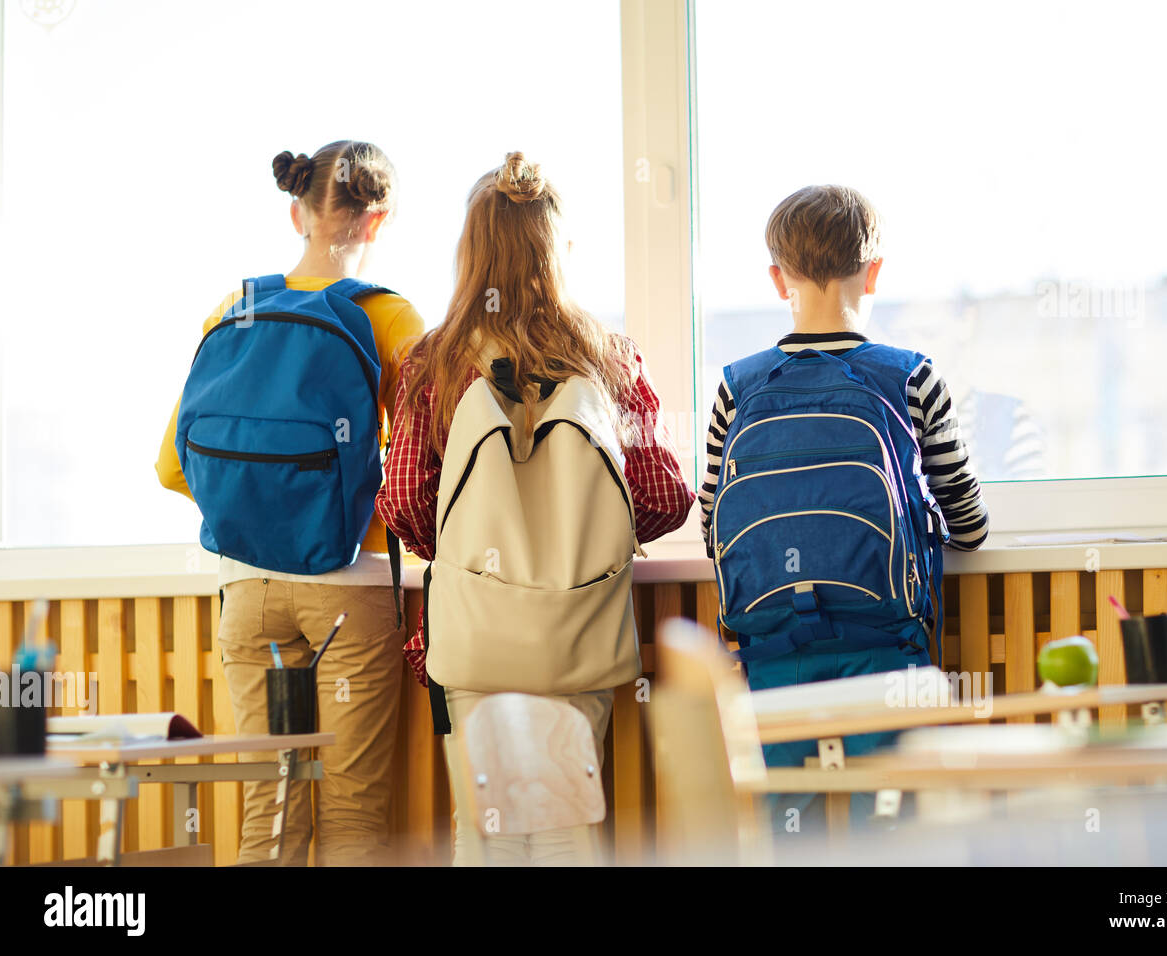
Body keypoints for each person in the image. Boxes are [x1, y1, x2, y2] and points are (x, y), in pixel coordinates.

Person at [377, 151, 694, 865]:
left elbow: (401, 501)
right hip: (576, 629)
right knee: (563, 828)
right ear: (559, 250)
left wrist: (475, 543)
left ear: (470, 251)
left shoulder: (434, 360)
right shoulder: (610, 358)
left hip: (475, 633)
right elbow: (665, 497)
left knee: (483, 830)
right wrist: (579, 536)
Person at [155, 141, 425, 865]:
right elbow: (427, 467)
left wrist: (259, 511)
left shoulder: (234, 306)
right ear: (378, 220)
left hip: (246, 592)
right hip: (350, 586)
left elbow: (171, 466)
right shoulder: (388, 316)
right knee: (352, 815)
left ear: (299, 211)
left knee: (269, 810)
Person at [698, 184, 989, 840]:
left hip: (771, 657)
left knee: (786, 833)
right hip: (886, 653)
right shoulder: (911, 377)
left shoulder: (736, 387)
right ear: (875, 271)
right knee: (890, 836)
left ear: (778, 279)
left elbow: (712, 521)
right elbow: (969, 525)